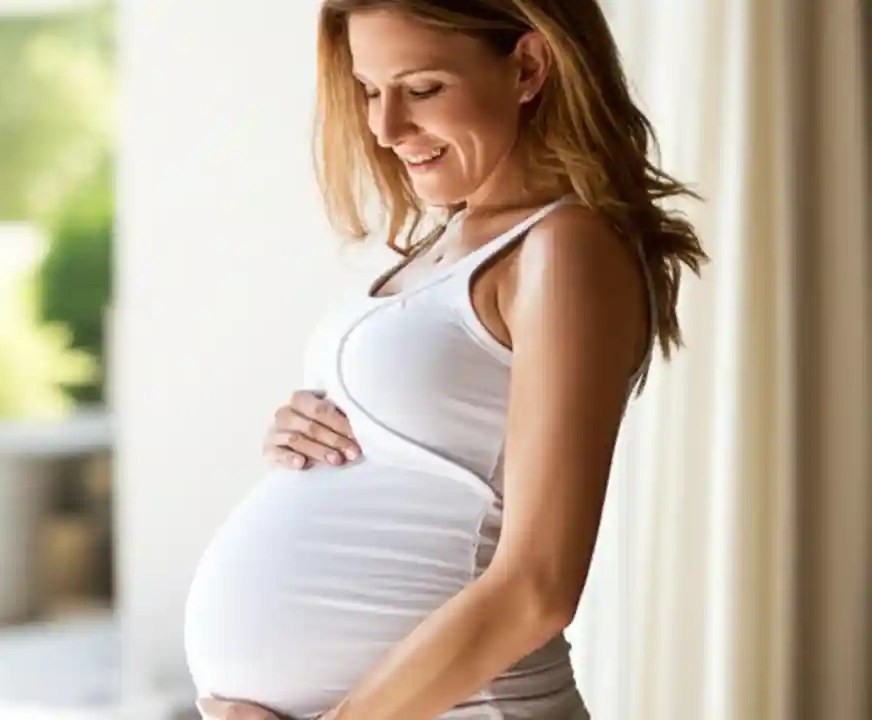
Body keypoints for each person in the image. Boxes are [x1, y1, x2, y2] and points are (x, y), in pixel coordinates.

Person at [183, 1, 707, 718]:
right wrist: (305, 432)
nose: (384, 126)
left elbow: (539, 586)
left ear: (527, 67)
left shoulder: (564, 247)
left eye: (421, 89)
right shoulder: (453, 240)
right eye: (370, 90)